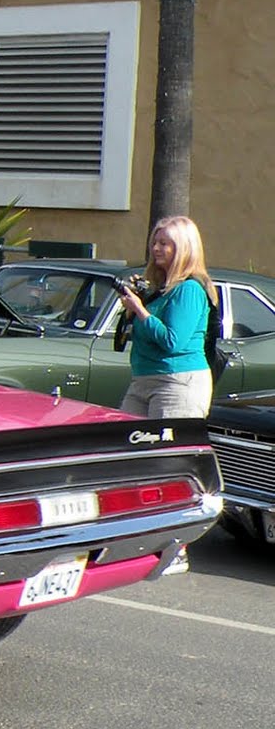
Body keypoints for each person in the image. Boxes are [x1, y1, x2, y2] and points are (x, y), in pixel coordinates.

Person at [116, 215, 215, 575]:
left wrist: (140, 312)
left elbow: (172, 341)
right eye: (155, 242)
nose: (158, 249)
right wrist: (136, 310)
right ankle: (138, 540)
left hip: (178, 381)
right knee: (128, 455)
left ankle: (176, 547)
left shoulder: (189, 289)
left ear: (184, 247)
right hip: (144, 379)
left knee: (169, 465)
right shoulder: (160, 289)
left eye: (166, 243)